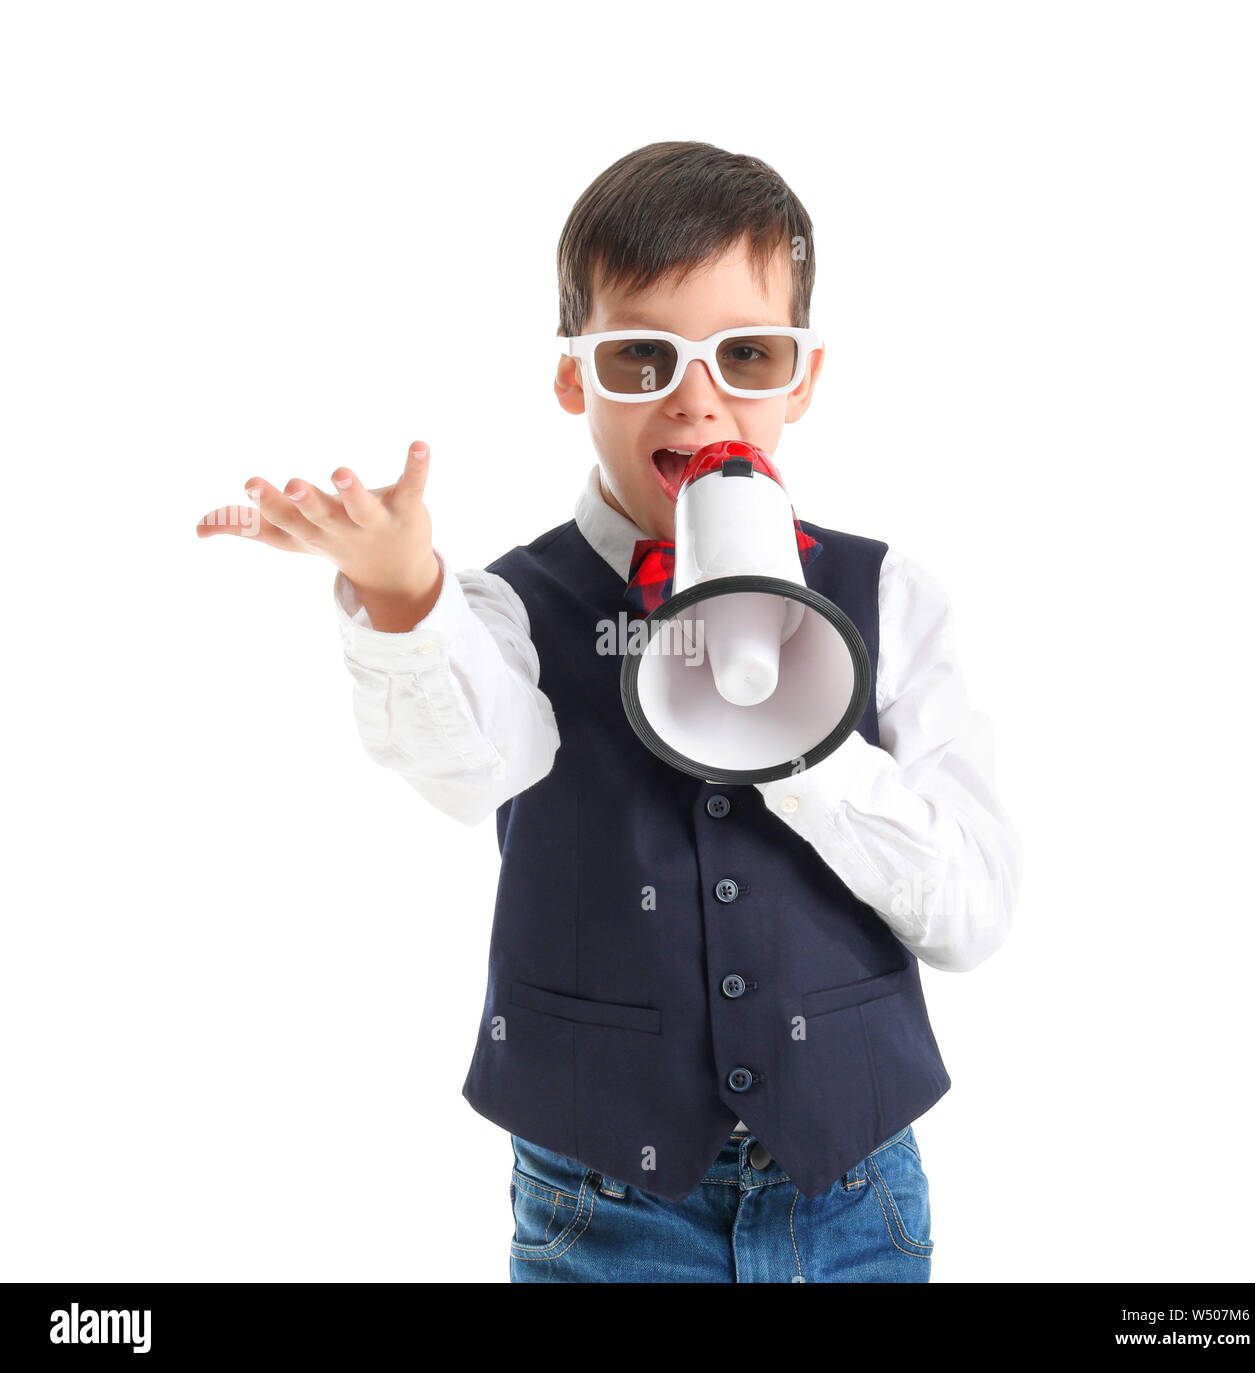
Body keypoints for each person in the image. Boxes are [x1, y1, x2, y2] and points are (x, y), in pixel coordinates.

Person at [197, 141, 1023, 1282]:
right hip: (608, 1208)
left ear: (804, 377)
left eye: (746, 353)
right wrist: (402, 593)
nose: (696, 395)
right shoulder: (505, 606)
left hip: (854, 1193)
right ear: (573, 378)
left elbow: (974, 912)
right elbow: (469, 761)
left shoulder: (888, 597)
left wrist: (801, 743)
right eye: (642, 355)